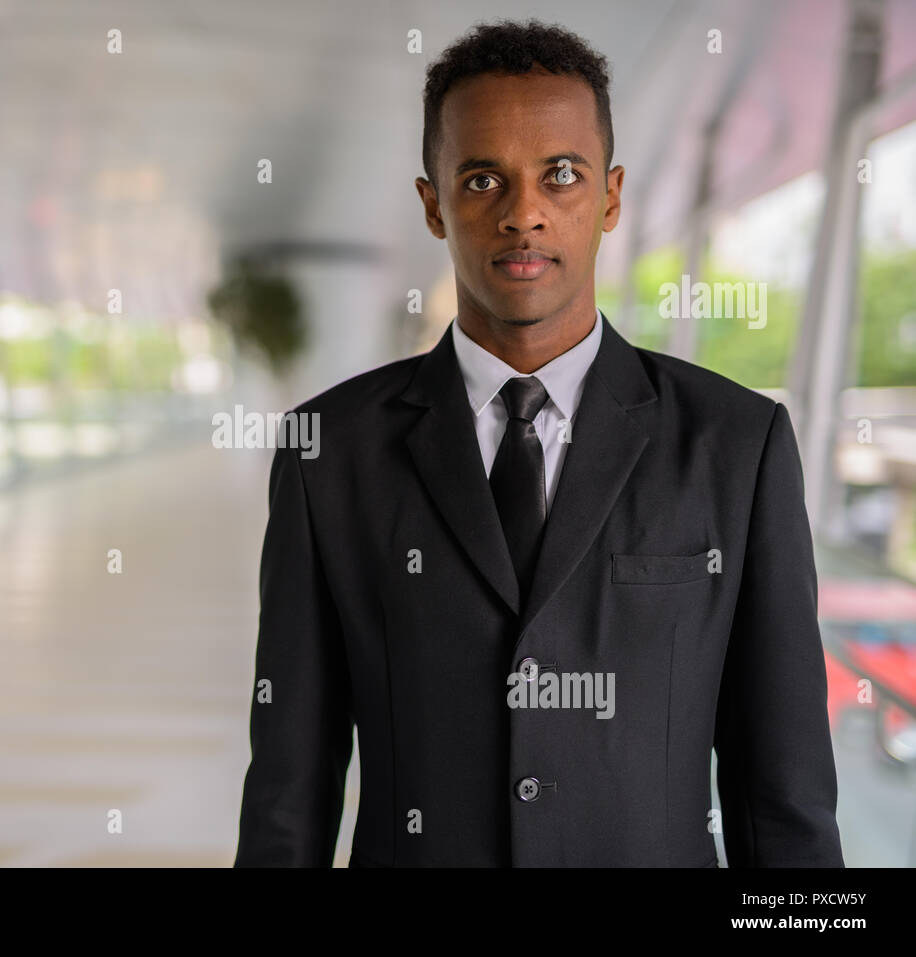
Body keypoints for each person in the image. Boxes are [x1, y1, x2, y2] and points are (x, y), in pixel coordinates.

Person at [233, 19, 844, 867]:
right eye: (483, 178)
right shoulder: (328, 453)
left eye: (561, 174)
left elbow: (786, 797)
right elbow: (286, 800)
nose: (524, 213)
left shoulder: (738, 446)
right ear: (433, 204)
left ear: (611, 196)